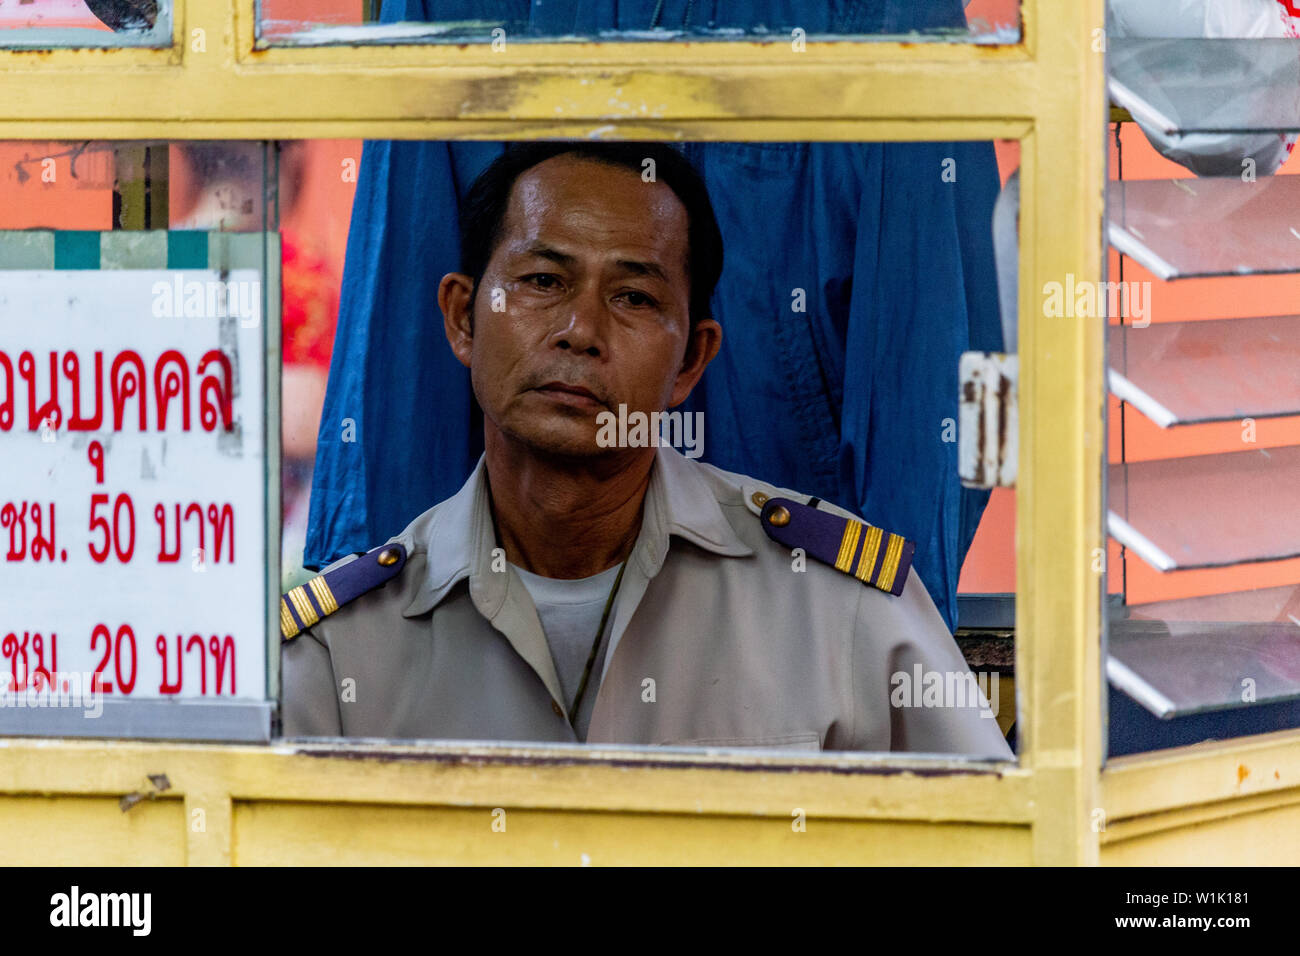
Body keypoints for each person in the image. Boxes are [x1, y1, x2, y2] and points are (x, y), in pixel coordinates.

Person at [281, 142, 1010, 758]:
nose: (580, 329)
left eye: (633, 298)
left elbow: (998, 841)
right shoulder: (342, 651)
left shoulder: (840, 608)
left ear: (693, 359)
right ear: (462, 318)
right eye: (542, 281)